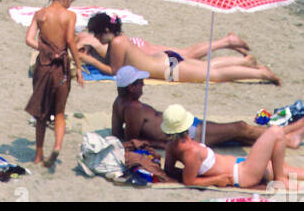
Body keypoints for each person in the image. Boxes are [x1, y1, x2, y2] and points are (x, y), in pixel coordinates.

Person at [111, 69, 293, 148]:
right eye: (140, 83)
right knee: (240, 127)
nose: (143, 85)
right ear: (131, 87)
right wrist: (163, 144)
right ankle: (283, 135)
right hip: (188, 133)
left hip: (185, 127)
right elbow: (132, 141)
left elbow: (116, 132)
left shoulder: (119, 102)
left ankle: (280, 137)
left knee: (239, 136)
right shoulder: (133, 107)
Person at [86, 15, 279, 85]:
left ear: (105, 31)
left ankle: (263, 74)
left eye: (96, 35)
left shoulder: (118, 43)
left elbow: (115, 71)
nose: (96, 39)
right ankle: (245, 62)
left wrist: (90, 60)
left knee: (214, 74)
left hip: (168, 68)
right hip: (164, 61)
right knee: (207, 67)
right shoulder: (120, 39)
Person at [162, 109, 303, 188]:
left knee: (288, 169)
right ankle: (280, 179)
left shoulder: (172, 146)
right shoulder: (191, 152)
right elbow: (189, 181)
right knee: (275, 132)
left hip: (241, 165)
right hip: (242, 174)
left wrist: (198, 172)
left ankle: (281, 176)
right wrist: (215, 179)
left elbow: (168, 169)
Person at [24, 0, 84, 167]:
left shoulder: (40, 14)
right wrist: (79, 67)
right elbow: (69, 41)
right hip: (61, 69)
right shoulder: (69, 16)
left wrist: (45, 49)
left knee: (40, 112)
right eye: (70, 0)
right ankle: (57, 145)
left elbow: (28, 39)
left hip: (43, 66)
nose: (70, 4)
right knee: (59, 112)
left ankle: (38, 154)